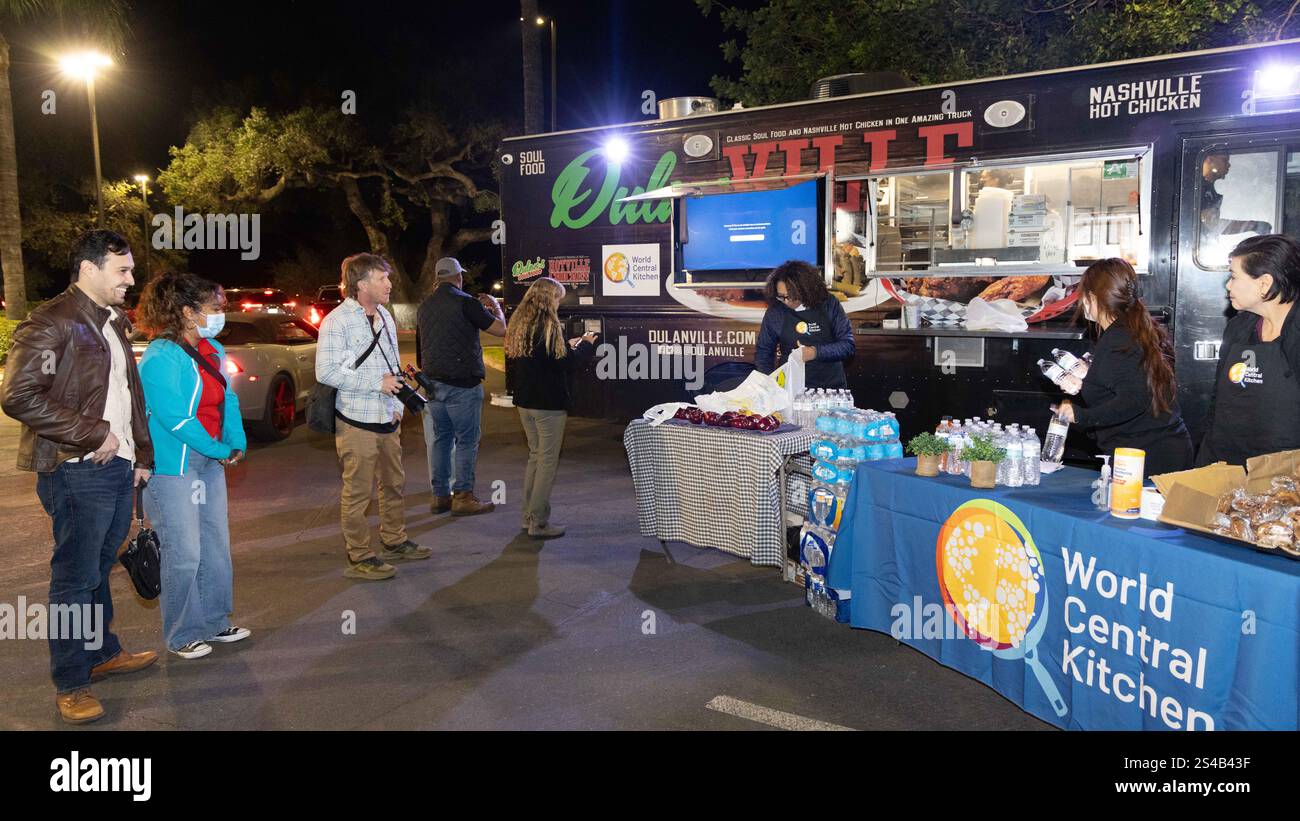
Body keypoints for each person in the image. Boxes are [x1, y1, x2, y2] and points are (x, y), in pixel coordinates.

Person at [0, 229, 158, 724]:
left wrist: (141, 455)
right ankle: (71, 683)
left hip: (115, 466)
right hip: (76, 470)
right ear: (89, 269)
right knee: (74, 577)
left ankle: (102, 652)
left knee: (97, 569)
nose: (131, 280)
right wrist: (92, 434)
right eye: (123, 270)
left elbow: (127, 395)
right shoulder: (52, 322)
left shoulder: (111, 321)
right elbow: (17, 396)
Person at [136, 273, 252, 659]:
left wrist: (236, 442)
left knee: (215, 545)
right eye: (214, 308)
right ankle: (182, 632)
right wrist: (218, 449)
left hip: (208, 460)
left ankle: (216, 621)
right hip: (173, 466)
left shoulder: (213, 349)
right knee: (183, 551)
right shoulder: (158, 358)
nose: (221, 314)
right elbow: (177, 420)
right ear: (187, 312)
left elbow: (228, 401)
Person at [317, 253, 430, 580]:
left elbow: (393, 365)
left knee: (394, 484)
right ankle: (360, 556)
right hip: (355, 420)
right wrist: (374, 384)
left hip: (387, 417)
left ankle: (394, 541)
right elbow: (325, 372)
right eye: (382, 278)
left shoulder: (384, 316)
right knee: (358, 492)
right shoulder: (337, 321)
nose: (389, 284)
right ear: (361, 283)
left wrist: (396, 407)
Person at [1052, 259, 1194, 476]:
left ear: (1093, 298)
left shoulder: (1119, 339)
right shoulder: (1134, 329)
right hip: (1156, 449)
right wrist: (1088, 380)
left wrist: (1080, 415)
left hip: (1148, 457)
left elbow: (1134, 399)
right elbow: (1129, 381)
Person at [503, 277, 598, 539]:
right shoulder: (547, 325)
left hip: (525, 402)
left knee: (535, 457)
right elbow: (565, 365)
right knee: (547, 462)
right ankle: (539, 522)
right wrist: (587, 345)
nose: (559, 303)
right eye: (558, 297)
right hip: (548, 404)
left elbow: (545, 357)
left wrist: (566, 346)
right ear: (549, 298)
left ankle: (528, 516)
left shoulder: (521, 323)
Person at [1196, 234, 1300, 466]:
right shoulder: (1238, 327)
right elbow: (1218, 402)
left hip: (1282, 476)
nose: (1228, 285)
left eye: (1234, 277)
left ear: (1264, 283)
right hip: (1227, 461)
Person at [416, 256, 506, 516]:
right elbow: (501, 330)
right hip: (463, 385)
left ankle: (440, 496)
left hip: (432, 384)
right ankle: (464, 496)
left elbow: (423, 349)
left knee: (441, 441)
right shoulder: (467, 303)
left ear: (437, 279)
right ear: (459, 277)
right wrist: (495, 309)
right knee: (466, 441)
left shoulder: (425, 307)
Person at [755, 259, 854, 389]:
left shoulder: (828, 304)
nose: (787, 301)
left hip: (830, 388)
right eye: (781, 296)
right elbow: (764, 352)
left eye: (791, 296)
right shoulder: (776, 311)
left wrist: (814, 352)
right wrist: (768, 385)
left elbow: (847, 346)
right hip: (790, 388)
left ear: (806, 290)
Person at [1199, 151, 1272, 262]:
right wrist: (1253, 225)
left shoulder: (1206, 188)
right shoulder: (1198, 187)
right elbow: (1212, 224)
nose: (1229, 165)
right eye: (1225, 160)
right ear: (1209, 159)